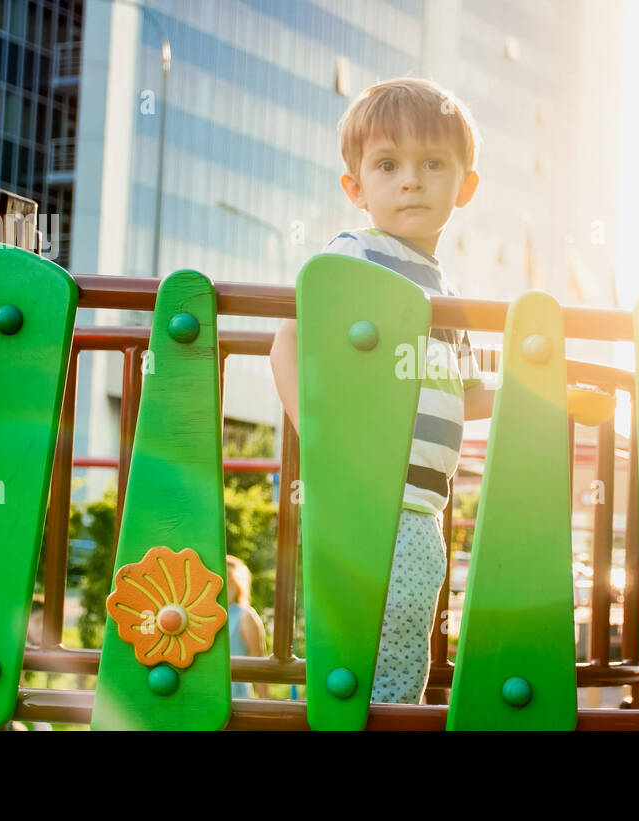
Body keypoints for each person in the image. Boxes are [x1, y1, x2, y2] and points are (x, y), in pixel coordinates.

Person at [269, 77, 495, 704]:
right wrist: (315, 436)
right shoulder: (355, 254)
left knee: (404, 639)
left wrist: (542, 392)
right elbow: (287, 341)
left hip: (422, 502)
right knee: (363, 647)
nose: (411, 181)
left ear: (465, 186)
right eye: (388, 164)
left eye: (432, 164)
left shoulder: (450, 294)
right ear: (356, 188)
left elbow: (470, 394)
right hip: (365, 489)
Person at [226, 555, 270, 699]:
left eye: (229, 579)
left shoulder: (245, 616)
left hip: (237, 699)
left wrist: (266, 707)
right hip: (209, 698)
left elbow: (259, 667)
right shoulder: (205, 617)